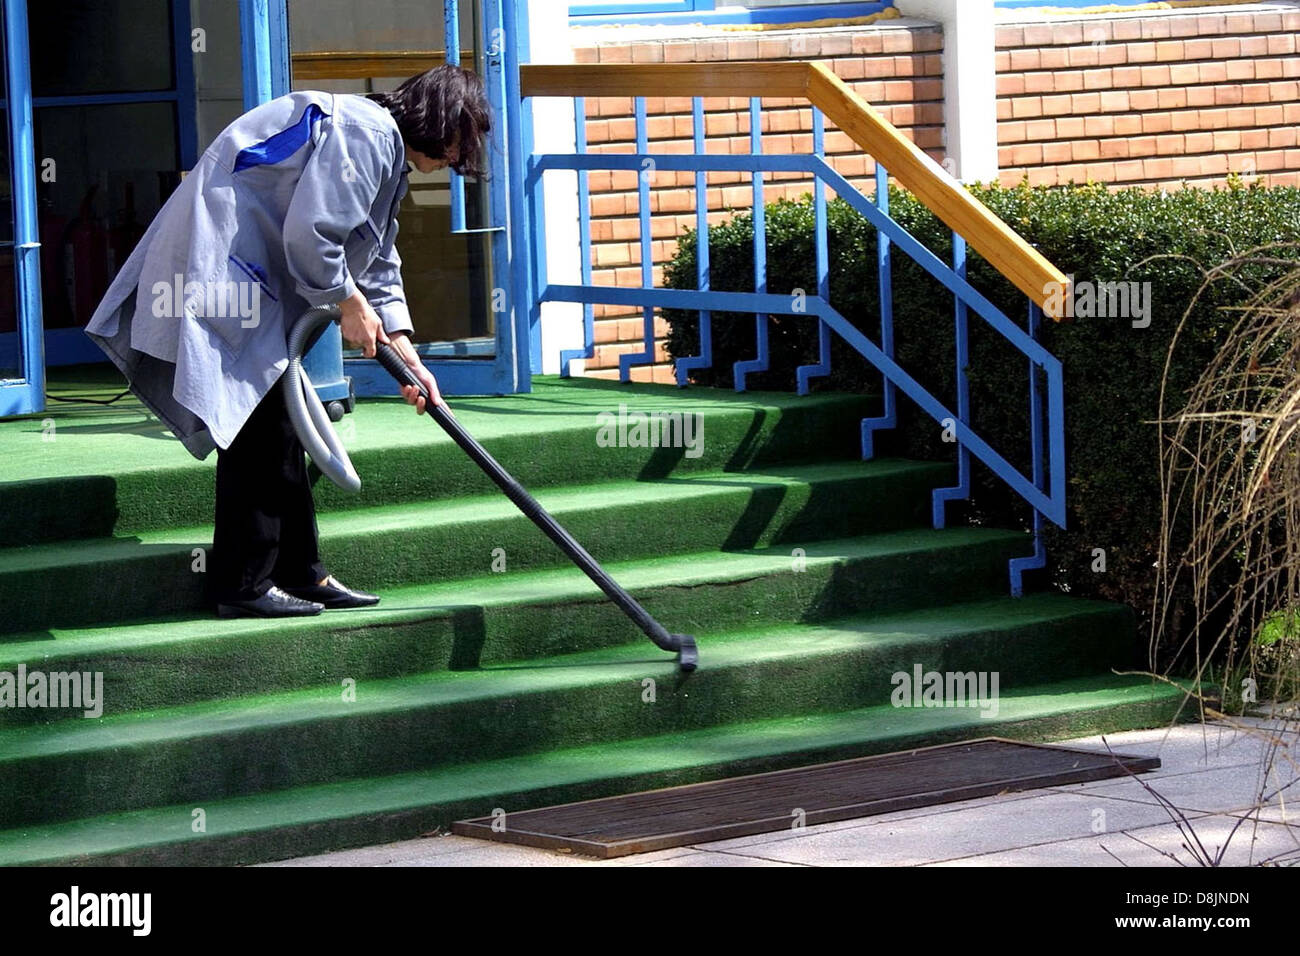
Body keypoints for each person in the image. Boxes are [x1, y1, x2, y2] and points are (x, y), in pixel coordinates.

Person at [85, 65, 492, 618]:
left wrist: (405, 350)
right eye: (456, 145)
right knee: (260, 422)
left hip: (254, 276)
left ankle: (302, 571)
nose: (451, 162)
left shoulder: (383, 149)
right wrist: (349, 304)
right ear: (440, 121)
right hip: (226, 263)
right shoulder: (369, 132)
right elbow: (313, 234)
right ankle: (242, 585)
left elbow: (376, 256)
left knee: (283, 420)